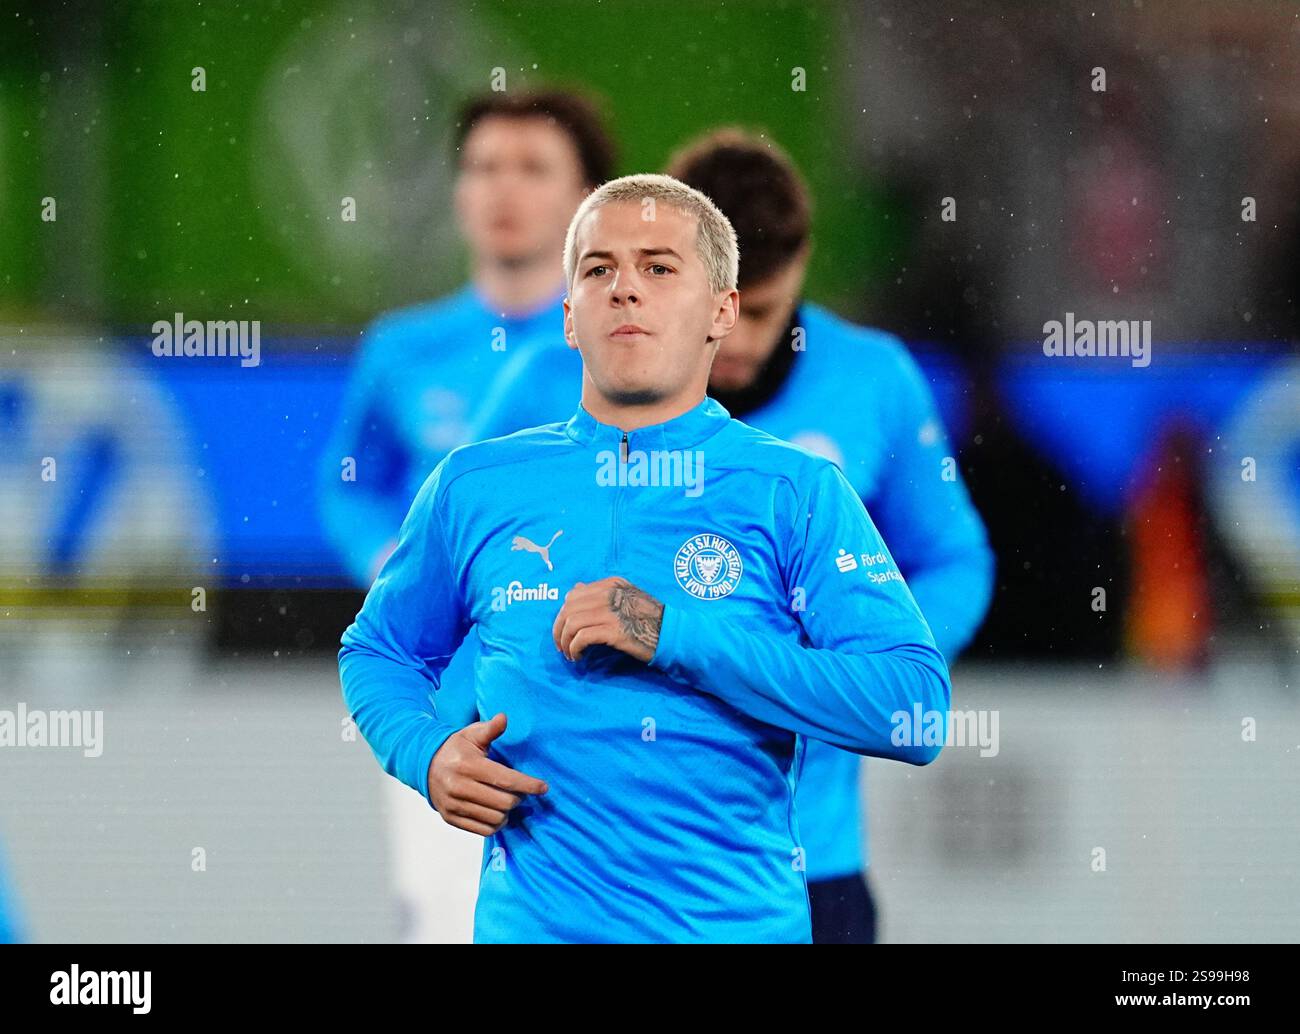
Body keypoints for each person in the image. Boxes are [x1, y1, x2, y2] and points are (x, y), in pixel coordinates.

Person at [339, 173, 953, 943]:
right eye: (598, 270)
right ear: (568, 317)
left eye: (659, 267)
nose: (625, 288)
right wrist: (423, 753)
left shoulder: (794, 492)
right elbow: (379, 649)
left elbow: (915, 710)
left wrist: (677, 636)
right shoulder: (476, 485)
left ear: (722, 311)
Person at [318, 89, 615, 941]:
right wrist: (387, 563)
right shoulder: (404, 348)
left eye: (531, 168)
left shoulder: (623, 344)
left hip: (592, 693)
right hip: (446, 695)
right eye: (484, 168)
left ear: (586, 194)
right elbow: (347, 480)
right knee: (450, 921)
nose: (503, 190)